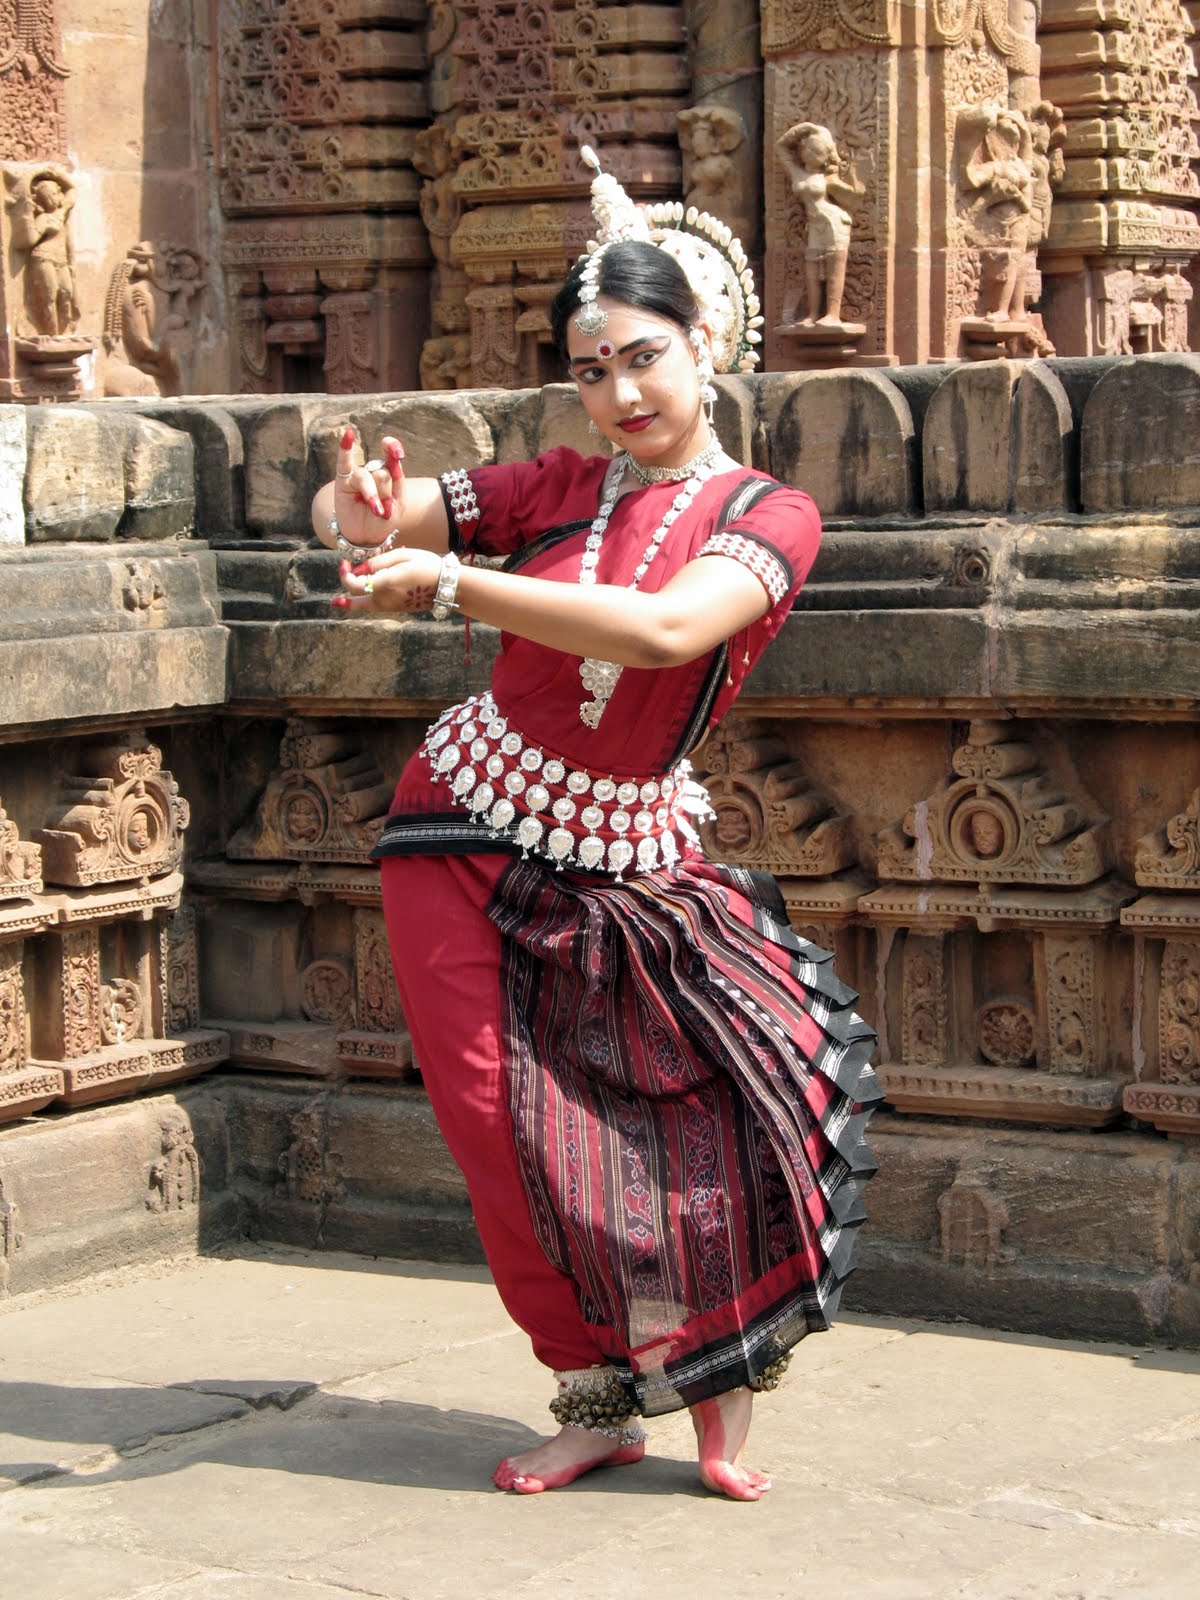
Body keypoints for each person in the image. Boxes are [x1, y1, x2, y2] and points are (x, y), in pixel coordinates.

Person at [310, 148, 880, 1501]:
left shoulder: (769, 516)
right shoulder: (557, 485)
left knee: (699, 1109)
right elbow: (372, 517)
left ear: (708, 341)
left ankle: (721, 1387)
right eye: (588, 369)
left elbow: (670, 629)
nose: (617, 393)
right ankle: (594, 1392)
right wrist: (358, 504)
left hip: (633, 850)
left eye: (640, 356)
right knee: (499, 1122)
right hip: (464, 827)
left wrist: (455, 586)